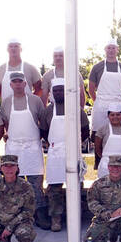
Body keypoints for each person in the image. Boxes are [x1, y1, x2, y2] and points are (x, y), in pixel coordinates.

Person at [0, 72, 51, 226]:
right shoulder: (6, 102)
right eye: (14, 82)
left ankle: (40, 213)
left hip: (32, 146)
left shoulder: (35, 101)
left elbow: (42, 122)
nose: (17, 84)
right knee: (15, 183)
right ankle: (18, 216)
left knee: (36, 183)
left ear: (25, 84)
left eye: (20, 81)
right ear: (10, 85)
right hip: (14, 147)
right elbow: (6, 123)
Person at [45, 79, 91, 233]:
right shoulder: (48, 111)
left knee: (75, 186)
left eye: (61, 90)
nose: (58, 93)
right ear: (52, 92)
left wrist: (74, 143)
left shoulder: (77, 109)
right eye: (55, 90)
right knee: (54, 189)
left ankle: (76, 217)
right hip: (55, 153)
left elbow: (85, 130)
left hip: (73, 151)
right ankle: (56, 218)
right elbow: (44, 131)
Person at [88, 41, 121, 132]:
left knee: (120, 132)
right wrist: (98, 102)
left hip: (118, 105)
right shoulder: (97, 67)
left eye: (113, 48)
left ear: (117, 50)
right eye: (109, 48)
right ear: (105, 50)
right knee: (98, 134)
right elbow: (91, 89)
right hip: (101, 106)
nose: (111, 50)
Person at [94, 102, 121, 177]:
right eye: (112, 115)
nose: (115, 117)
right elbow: (97, 148)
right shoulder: (102, 130)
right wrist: (106, 158)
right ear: (108, 116)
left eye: (118, 114)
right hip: (107, 166)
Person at [0, 38, 43, 103]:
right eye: (10, 46)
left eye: (16, 46)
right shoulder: (0, 69)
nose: (13, 49)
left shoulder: (30, 68)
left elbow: (39, 89)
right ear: (7, 49)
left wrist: (31, 102)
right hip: (7, 109)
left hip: (28, 108)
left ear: (21, 49)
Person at [41, 45, 85, 109]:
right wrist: (44, 115)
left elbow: (81, 95)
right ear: (53, 58)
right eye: (55, 56)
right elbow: (44, 97)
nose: (58, 58)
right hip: (54, 110)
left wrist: (81, 111)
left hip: (72, 109)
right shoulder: (47, 75)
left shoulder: (75, 74)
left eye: (61, 55)